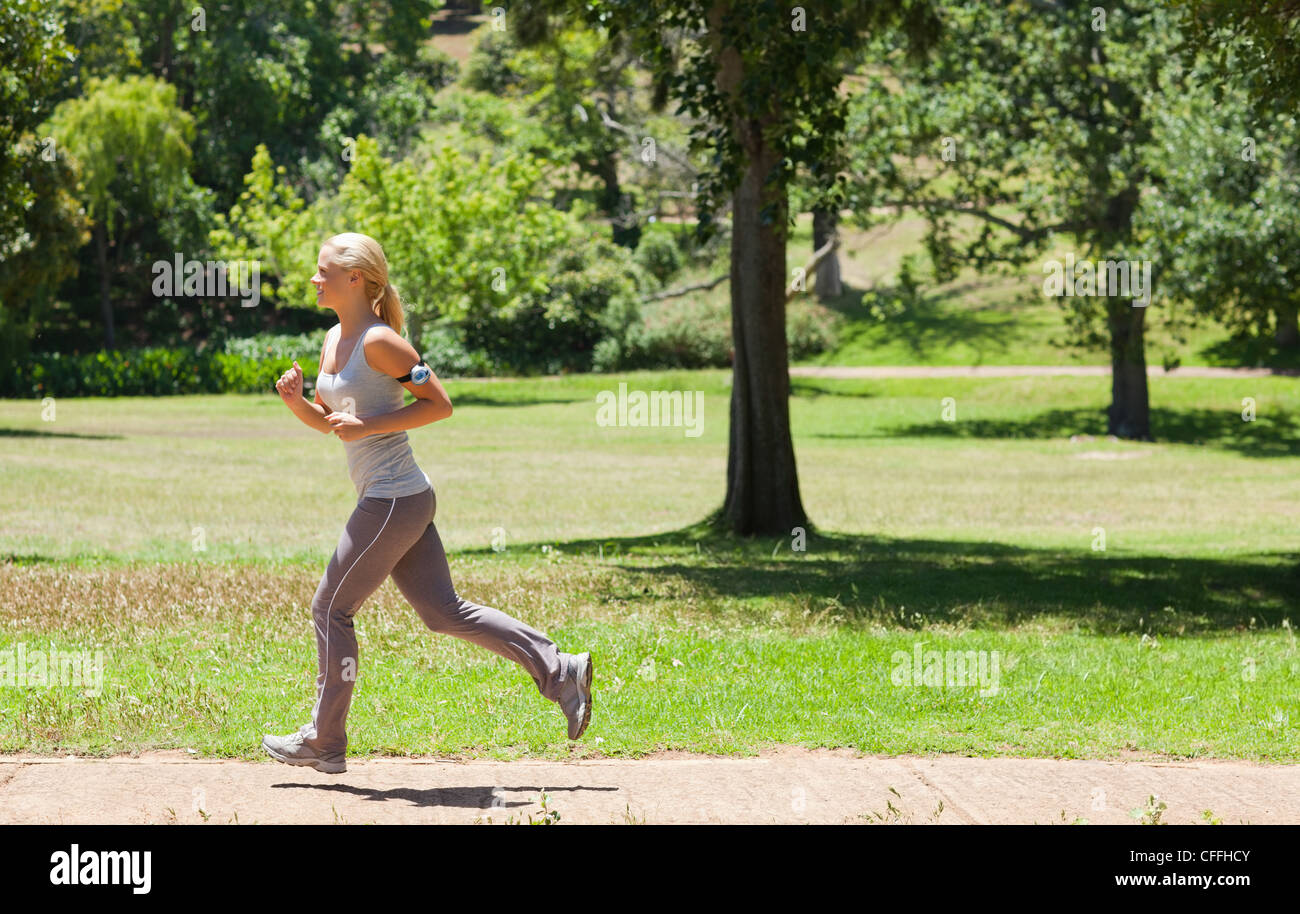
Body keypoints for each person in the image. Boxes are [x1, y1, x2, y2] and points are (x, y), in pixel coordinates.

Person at [262, 231, 592, 774]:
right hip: (396, 499)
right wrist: (298, 402)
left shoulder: (382, 342)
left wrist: (366, 423)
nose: (314, 279)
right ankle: (561, 671)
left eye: (324, 271)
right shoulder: (331, 339)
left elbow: (439, 405)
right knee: (444, 613)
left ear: (356, 278)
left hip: (395, 499)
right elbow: (333, 425)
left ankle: (324, 739)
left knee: (330, 608)